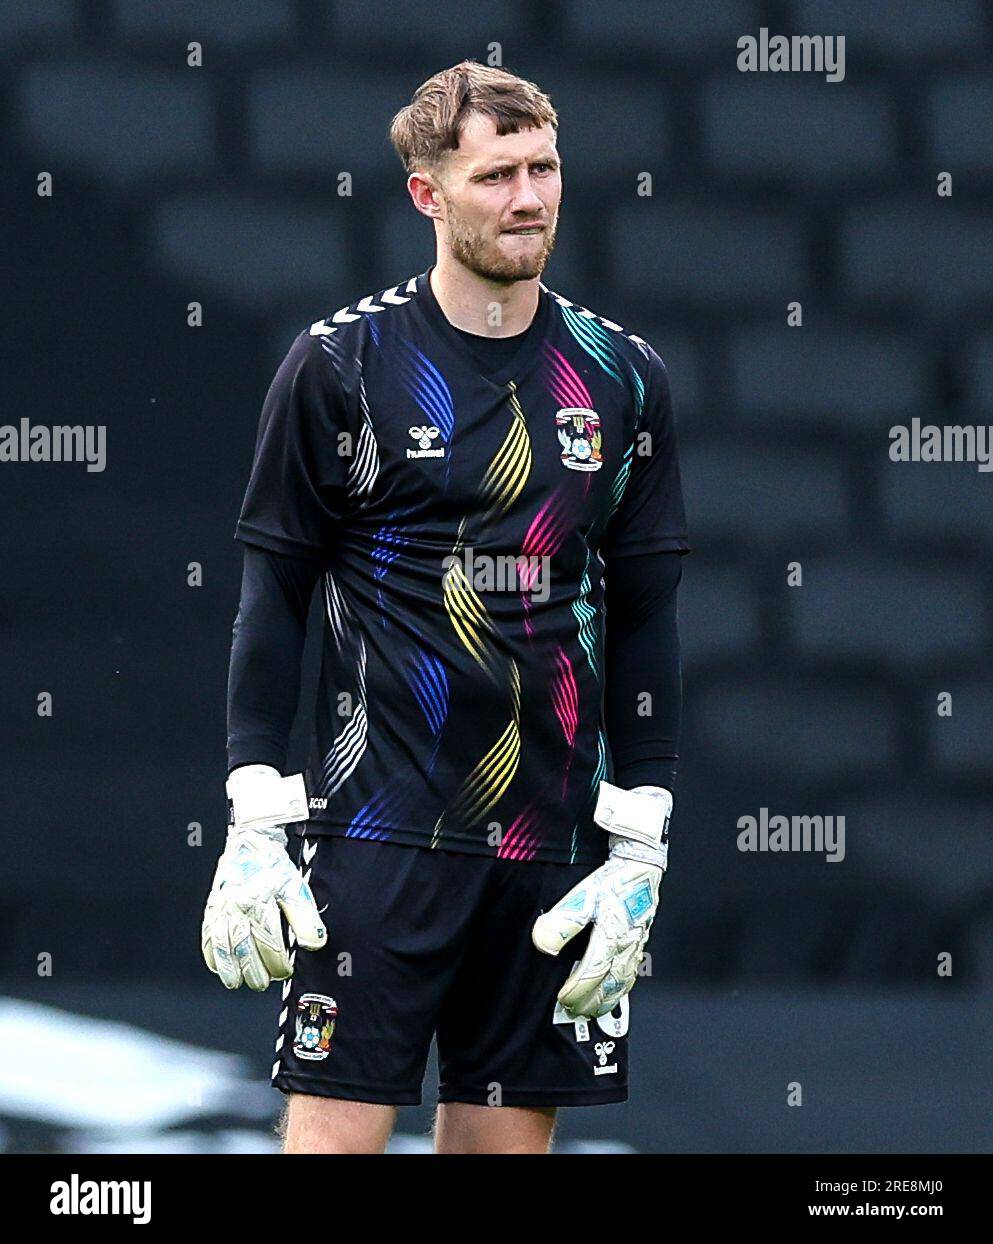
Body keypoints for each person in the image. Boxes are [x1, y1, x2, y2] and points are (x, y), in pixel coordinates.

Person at [201, 59, 690, 1155]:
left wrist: (644, 838)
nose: (530, 197)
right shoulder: (344, 365)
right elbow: (273, 587)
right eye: (497, 174)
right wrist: (251, 810)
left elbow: (649, 609)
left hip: (550, 843)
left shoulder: (624, 377)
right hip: (375, 835)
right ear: (428, 194)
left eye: (545, 167)